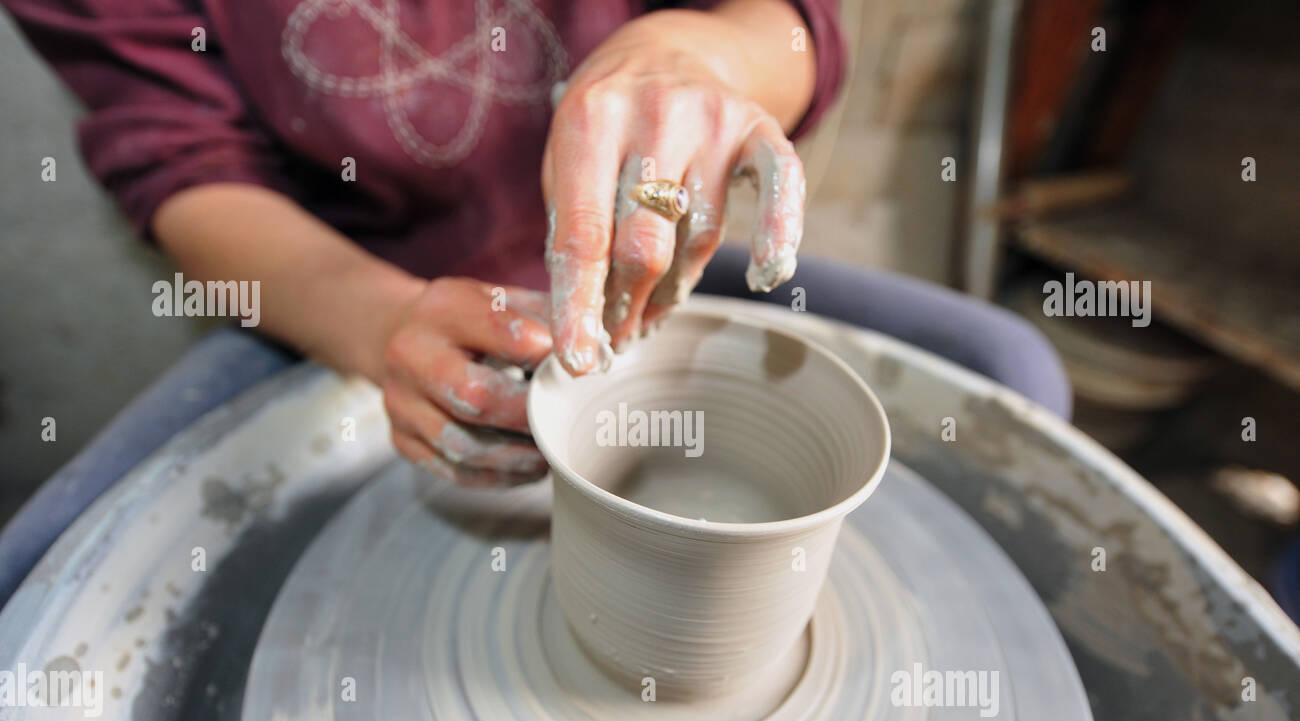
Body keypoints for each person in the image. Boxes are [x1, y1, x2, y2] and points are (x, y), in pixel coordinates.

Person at [5, 0, 845, 485]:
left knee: (979, 348)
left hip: (642, 264)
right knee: (48, 575)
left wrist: (694, 53)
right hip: (345, 287)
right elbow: (181, 160)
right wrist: (382, 323)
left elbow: (795, 26)